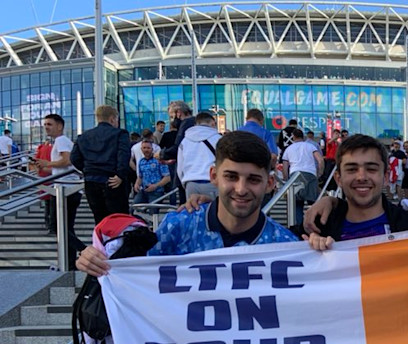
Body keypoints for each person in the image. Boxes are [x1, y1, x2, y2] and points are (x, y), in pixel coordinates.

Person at [76, 130, 298, 278]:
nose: (241, 189)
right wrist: (97, 262)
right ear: (213, 176)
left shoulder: (287, 247)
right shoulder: (178, 227)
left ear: (270, 183)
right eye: (231, 177)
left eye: (253, 179)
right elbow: (135, 277)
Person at [299, 133, 408, 249]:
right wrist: (308, 248)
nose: (362, 177)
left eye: (371, 169)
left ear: (386, 177)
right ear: (338, 179)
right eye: (352, 169)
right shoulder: (317, 228)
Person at [36, 113, 86, 258]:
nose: (46, 127)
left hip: (65, 189)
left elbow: (67, 161)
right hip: (65, 187)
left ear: (59, 126)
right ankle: (70, 261)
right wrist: (43, 167)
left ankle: (83, 250)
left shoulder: (61, 140)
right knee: (65, 227)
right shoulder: (61, 142)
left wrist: (48, 163)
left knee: (58, 226)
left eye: (49, 124)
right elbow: (62, 166)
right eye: (45, 125)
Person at [70, 104, 131, 223]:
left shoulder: (83, 137)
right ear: (112, 118)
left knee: (99, 219)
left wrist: (87, 170)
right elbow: (123, 155)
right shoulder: (120, 134)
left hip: (91, 180)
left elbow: (74, 158)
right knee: (119, 219)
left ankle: (101, 241)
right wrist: (120, 174)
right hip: (112, 180)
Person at [282, 127, 324, 225]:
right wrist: (319, 173)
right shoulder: (310, 146)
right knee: (313, 202)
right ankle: (315, 225)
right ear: (303, 136)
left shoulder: (289, 148)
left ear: (293, 137)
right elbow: (320, 160)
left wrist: (286, 179)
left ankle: (299, 228)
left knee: (297, 204)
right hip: (310, 174)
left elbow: (285, 166)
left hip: (295, 176)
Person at [177, 111, 222, 200]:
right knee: (213, 211)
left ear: (196, 124)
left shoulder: (185, 141)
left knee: (193, 212)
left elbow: (180, 167)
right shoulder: (218, 139)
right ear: (213, 123)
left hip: (191, 183)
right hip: (212, 182)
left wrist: (184, 182)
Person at [158, 100, 196, 204]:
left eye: (171, 116)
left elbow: (178, 148)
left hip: (188, 175)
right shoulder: (193, 123)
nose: (171, 120)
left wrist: (161, 154)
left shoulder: (185, 124)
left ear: (178, 113)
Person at [133, 139, 171, 204]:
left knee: (153, 209)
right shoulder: (141, 162)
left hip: (156, 192)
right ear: (141, 149)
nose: (146, 150)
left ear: (152, 149)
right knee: (134, 207)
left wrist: (156, 186)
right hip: (144, 191)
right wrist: (137, 184)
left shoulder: (159, 161)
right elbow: (140, 177)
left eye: (148, 148)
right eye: (144, 148)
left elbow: (168, 178)